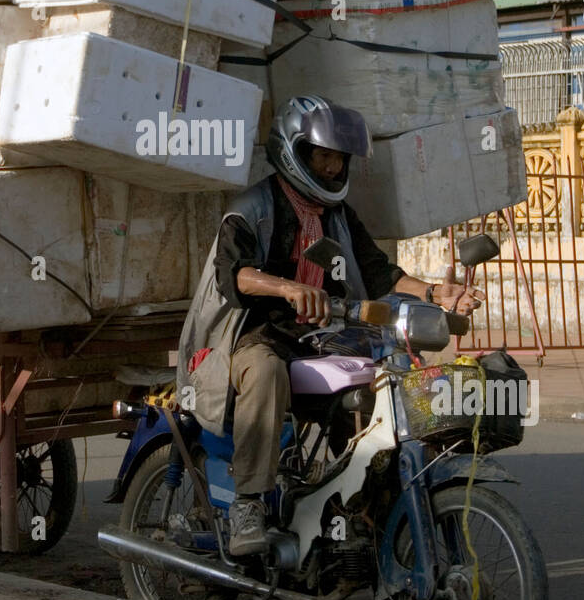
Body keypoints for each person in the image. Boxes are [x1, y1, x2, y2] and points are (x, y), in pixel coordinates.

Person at [177, 95, 484, 558]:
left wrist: (435, 293)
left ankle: (356, 506)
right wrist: (286, 288)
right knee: (264, 374)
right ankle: (248, 503)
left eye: (339, 158)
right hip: (257, 336)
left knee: (377, 381)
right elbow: (234, 274)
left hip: (322, 339)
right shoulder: (252, 207)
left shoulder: (338, 216)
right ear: (295, 151)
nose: (332, 166)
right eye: (324, 155)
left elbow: (381, 274)